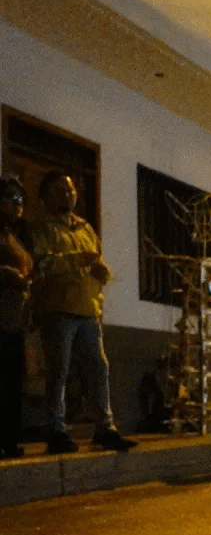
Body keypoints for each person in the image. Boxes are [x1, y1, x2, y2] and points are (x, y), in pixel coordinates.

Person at [28, 172, 136, 454]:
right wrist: (77, 260)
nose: (68, 194)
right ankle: (56, 429)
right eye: (60, 190)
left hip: (87, 309)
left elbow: (96, 262)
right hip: (57, 309)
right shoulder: (41, 228)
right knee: (58, 371)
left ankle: (105, 427)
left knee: (98, 368)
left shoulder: (85, 228)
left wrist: (103, 272)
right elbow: (41, 264)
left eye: (70, 189)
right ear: (46, 198)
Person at [0, 175, 32, 458]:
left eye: (21, 200)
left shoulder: (15, 238)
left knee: (12, 381)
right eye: (12, 199)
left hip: (14, 320)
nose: (18, 204)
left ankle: (9, 440)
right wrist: (7, 275)